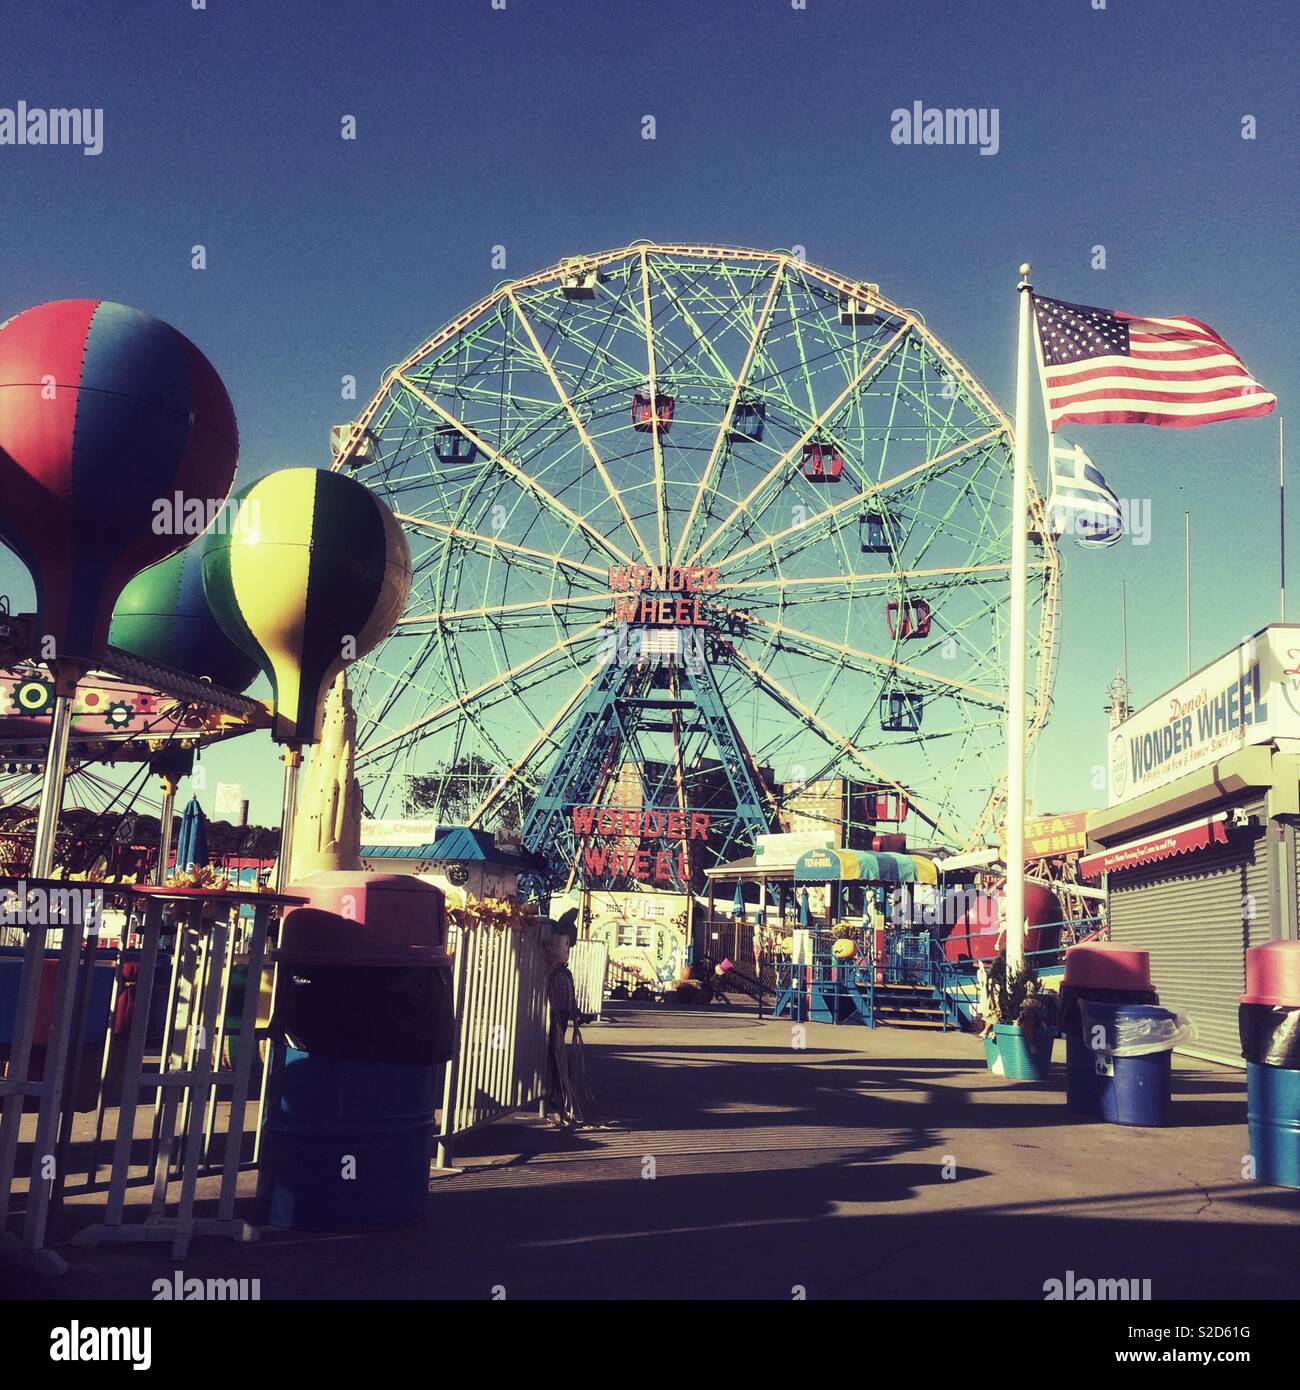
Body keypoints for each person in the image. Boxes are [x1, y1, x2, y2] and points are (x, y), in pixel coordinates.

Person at [543, 909, 596, 1128]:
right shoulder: (552, 974)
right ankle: (555, 1101)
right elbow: (554, 1000)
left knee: (562, 1062)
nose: (567, 951)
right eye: (565, 946)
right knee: (555, 1063)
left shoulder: (565, 974)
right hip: (554, 1022)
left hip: (562, 1020)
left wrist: (577, 1014)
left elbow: (570, 1000)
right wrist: (557, 1013)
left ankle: (560, 1103)